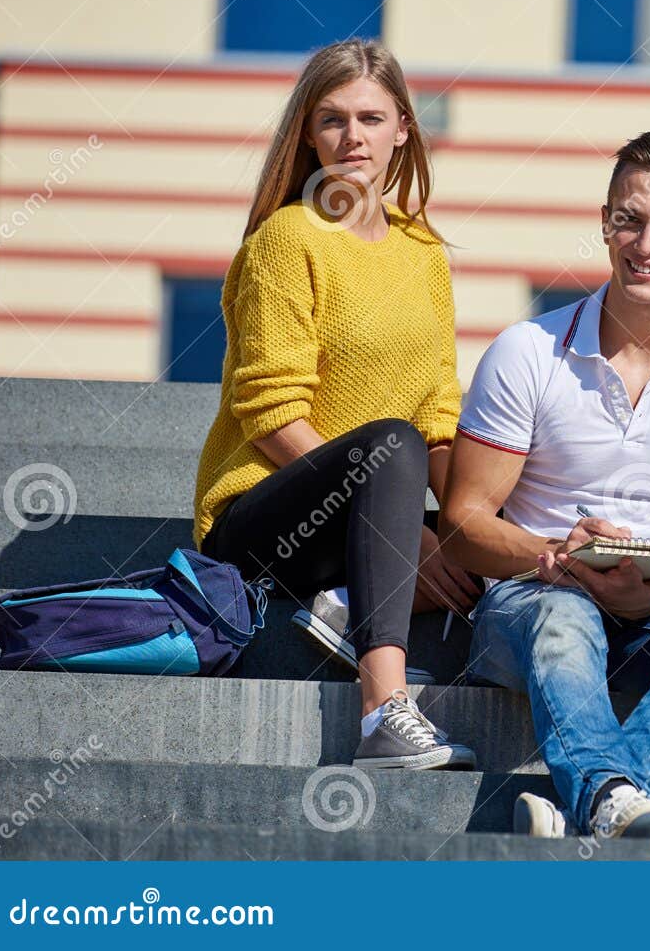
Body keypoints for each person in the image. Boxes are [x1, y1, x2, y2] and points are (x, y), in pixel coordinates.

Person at [440, 132, 650, 841]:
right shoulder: (527, 351)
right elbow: (462, 523)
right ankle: (607, 795)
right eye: (629, 220)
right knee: (564, 616)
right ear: (604, 222)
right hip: (535, 599)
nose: (646, 244)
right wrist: (556, 558)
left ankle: (591, 802)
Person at [193, 38, 476, 770]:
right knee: (389, 447)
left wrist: (463, 529)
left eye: (372, 119)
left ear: (403, 130)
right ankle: (384, 710)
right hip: (262, 523)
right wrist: (400, 536)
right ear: (309, 135)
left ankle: (352, 599)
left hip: (373, 509)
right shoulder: (289, 238)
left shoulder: (423, 252)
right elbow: (270, 409)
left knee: (466, 511)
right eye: (333, 120)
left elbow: (441, 410)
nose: (353, 137)